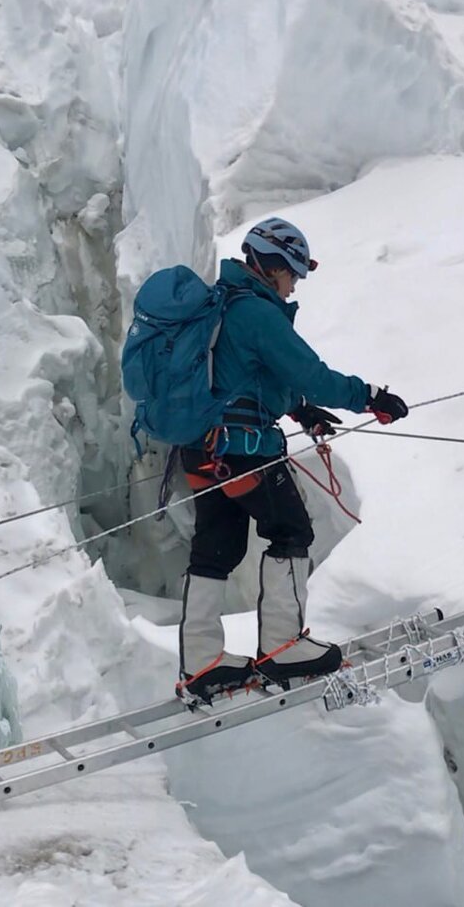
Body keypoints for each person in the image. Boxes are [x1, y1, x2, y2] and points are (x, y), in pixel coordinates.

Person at [177, 217, 409, 702]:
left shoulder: (221, 306)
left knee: (215, 548)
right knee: (292, 530)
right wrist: (371, 397)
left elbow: (243, 377)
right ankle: (282, 646)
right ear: (272, 265)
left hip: (201, 450)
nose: (294, 284)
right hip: (243, 452)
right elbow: (312, 372)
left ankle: (202, 664)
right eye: (294, 274)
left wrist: (300, 410)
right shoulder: (256, 312)